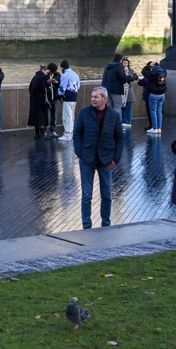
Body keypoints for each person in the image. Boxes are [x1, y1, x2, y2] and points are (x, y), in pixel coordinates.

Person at [71, 86, 123, 229]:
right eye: (92, 97)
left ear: (104, 99)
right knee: (87, 195)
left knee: (106, 195)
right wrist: (79, 153)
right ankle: (86, 225)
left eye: (96, 97)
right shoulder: (84, 113)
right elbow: (76, 134)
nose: (93, 99)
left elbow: (119, 138)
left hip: (106, 160)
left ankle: (106, 223)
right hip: (87, 159)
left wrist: (115, 160)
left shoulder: (113, 115)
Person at [101, 55, 128, 127]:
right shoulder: (118, 66)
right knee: (118, 107)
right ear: (120, 60)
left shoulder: (108, 66)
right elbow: (124, 78)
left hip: (106, 89)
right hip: (116, 90)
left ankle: (109, 124)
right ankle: (118, 125)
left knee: (109, 107)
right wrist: (132, 77)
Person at [27, 64, 54, 139]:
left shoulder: (35, 77)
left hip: (34, 101)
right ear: (44, 70)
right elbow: (43, 89)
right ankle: (41, 134)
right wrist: (49, 87)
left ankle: (37, 134)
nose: (47, 73)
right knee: (41, 118)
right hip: (40, 101)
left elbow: (31, 88)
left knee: (36, 119)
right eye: (47, 72)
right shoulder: (42, 77)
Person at [141, 61, 167, 134]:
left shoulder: (152, 73)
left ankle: (154, 128)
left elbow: (143, 72)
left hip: (154, 94)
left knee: (153, 111)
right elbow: (164, 68)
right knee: (159, 111)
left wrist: (148, 66)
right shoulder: (164, 72)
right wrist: (159, 64)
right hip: (162, 94)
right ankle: (159, 129)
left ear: (153, 66)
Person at [58, 60, 81, 136]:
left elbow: (62, 88)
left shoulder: (65, 75)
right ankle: (71, 131)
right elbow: (78, 86)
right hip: (74, 96)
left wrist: (60, 96)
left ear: (63, 68)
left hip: (67, 97)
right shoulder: (75, 74)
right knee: (72, 115)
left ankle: (67, 133)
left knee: (66, 116)